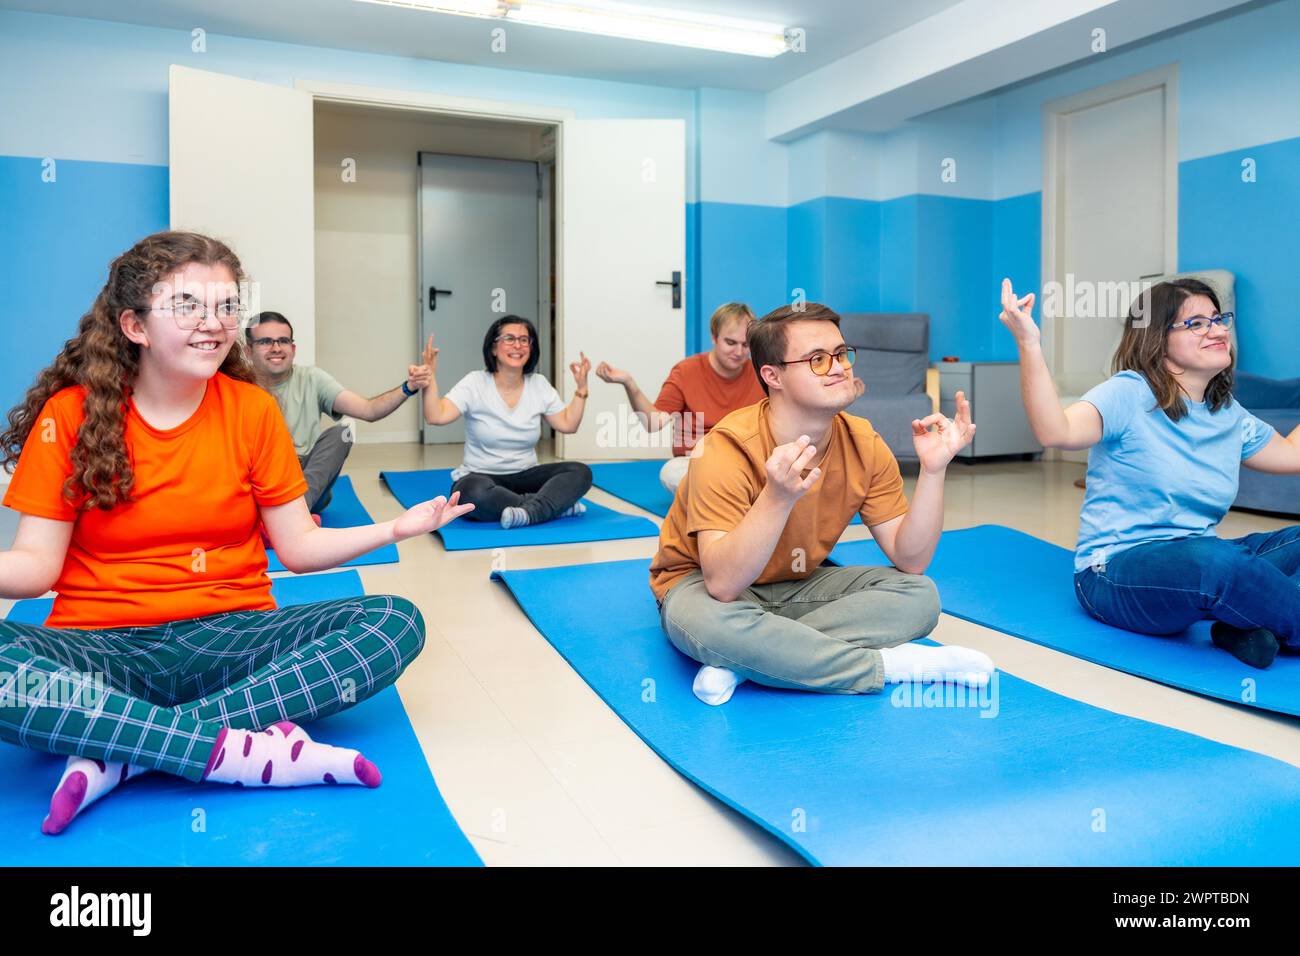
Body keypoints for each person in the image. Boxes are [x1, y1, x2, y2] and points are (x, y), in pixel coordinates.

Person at [0, 231, 472, 836]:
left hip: (230, 638)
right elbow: (36, 568)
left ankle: (121, 750)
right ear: (135, 326)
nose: (213, 324)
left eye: (227, 306)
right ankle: (235, 747)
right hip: (100, 648)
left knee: (395, 622)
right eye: (188, 305)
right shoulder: (69, 415)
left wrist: (398, 528)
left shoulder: (251, 411)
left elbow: (298, 548)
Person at [649, 302, 995, 705]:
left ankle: (747, 661)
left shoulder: (863, 441)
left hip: (798, 584)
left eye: (841, 353)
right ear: (772, 375)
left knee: (920, 596)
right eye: (816, 359)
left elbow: (911, 559)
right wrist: (776, 499)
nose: (838, 367)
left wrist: (934, 472)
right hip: (703, 585)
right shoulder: (724, 447)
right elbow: (723, 585)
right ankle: (893, 667)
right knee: (707, 623)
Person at [998, 276, 1300, 669]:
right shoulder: (1131, 393)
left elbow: (1292, 454)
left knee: (1226, 558)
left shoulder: (1226, 412)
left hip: (1195, 565)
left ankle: (1242, 625)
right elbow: (1056, 431)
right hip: (1113, 573)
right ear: (1158, 339)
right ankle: (1262, 615)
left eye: (1218, 318)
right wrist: (1028, 343)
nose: (1217, 330)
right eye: (1196, 323)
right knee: (1216, 563)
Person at [246, 311, 432, 513]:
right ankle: (290, 516)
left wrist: (409, 387)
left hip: (304, 477)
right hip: (261, 476)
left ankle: (295, 513)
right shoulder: (236, 385)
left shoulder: (312, 378)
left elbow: (369, 410)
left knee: (343, 432)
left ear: (293, 348)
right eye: (265, 341)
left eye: (283, 341)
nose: (276, 348)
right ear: (248, 350)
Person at [421, 315, 593, 528]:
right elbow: (435, 416)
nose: (517, 345)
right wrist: (429, 379)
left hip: (526, 476)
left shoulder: (538, 384)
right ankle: (552, 507)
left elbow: (568, 424)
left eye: (524, 340)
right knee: (469, 493)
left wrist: (582, 388)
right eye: (509, 338)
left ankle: (528, 512)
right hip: (482, 477)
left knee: (580, 472)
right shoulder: (475, 382)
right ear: (493, 348)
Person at [595, 302, 765, 494]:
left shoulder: (761, 373)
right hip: (697, 461)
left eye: (746, 345)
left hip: (744, 460)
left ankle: (726, 497)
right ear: (714, 338)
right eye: (731, 343)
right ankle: (733, 498)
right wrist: (629, 383)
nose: (739, 352)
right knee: (671, 472)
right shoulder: (686, 371)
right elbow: (653, 423)